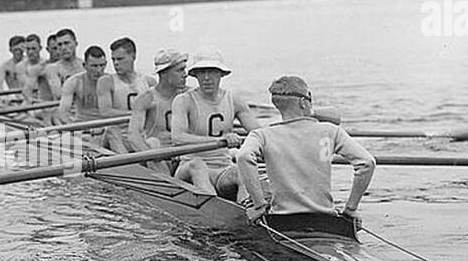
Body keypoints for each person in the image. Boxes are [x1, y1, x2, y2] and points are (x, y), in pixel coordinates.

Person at [236, 75, 376, 228]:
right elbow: (367, 163)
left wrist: (259, 205)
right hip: (325, 220)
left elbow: (243, 157)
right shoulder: (331, 131)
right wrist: (350, 209)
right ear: (303, 102)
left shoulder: (262, 135)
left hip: (282, 222)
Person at [169, 48, 262, 196]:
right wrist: (219, 140)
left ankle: (249, 211)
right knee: (197, 165)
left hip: (221, 167)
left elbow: (258, 133)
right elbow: (178, 137)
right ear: (196, 75)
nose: (207, 77)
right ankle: (212, 210)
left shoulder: (234, 99)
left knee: (242, 171)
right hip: (189, 167)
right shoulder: (183, 101)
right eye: (202, 72)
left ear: (221, 74)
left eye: (212, 71)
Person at [125, 49, 189, 165]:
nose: (185, 74)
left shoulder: (189, 95)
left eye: (184, 69)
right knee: (152, 142)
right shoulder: (146, 98)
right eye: (180, 70)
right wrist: (152, 156)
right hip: (159, 155)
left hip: (184, 154)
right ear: (164, 73)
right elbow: (134, 136)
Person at [96, 37, 153, 151]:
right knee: (112, 131)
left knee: (153, 140)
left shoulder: (149, 82)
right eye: (113, 60)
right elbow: (105, 112)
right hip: (118, 135)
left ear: (133, 56)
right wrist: (136, 113)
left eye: (120, 59)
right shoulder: (106, 81)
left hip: (140, 135)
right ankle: (128, 164)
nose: (116, 63)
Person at [56, 45, 110, 124]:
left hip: (108, 126)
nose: (98, 70)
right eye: (94, 66)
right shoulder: (73, 82)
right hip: (83, 127)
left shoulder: (112, 81)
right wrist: (73, 127)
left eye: (102, 65)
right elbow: (63, 113)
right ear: (84, 65)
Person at [40, 27, 84, 99]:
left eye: (67, 43)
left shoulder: (84, 65)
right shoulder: (52, 69)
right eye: (60, 45)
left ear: (75, 44)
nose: (63, 47)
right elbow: (59, 95)